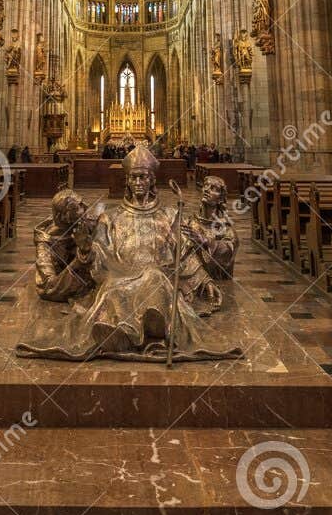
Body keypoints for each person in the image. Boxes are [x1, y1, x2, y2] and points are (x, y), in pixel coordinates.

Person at [17, 143, 241, 363]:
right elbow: (100, 255)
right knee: (113, 287)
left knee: (154, 277)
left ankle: (141, 326)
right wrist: (86, 250)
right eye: (133, 178)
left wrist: (204, 278)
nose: (138, 182)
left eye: (143, 177)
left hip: (157, 275)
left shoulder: (170, 215)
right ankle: (131, 329)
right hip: (117, 276)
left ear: (152, 180)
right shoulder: (110, 217)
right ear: (127, 181)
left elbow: (182, 253)